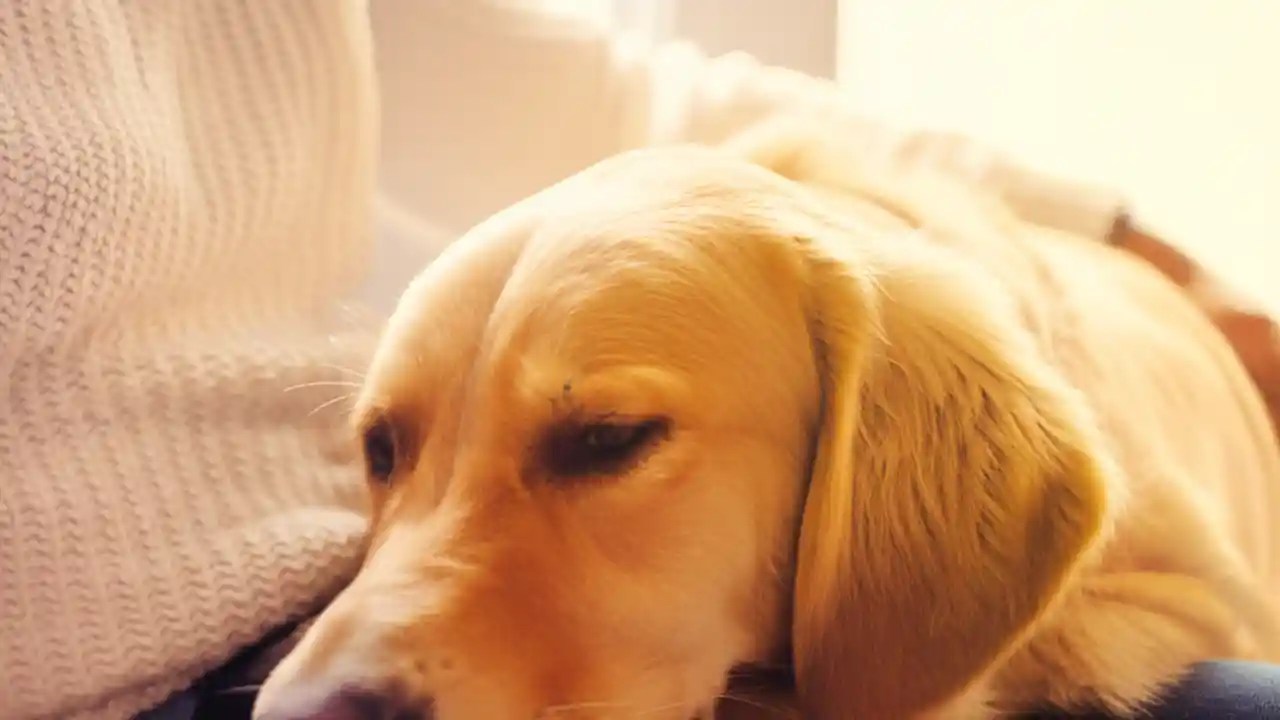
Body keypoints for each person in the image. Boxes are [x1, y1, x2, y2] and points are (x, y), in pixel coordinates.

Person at [1, 2, 1276, 719]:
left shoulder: (918, 376)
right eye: (387, 449)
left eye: (599, 439)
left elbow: (602, 95)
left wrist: (1162, 256)